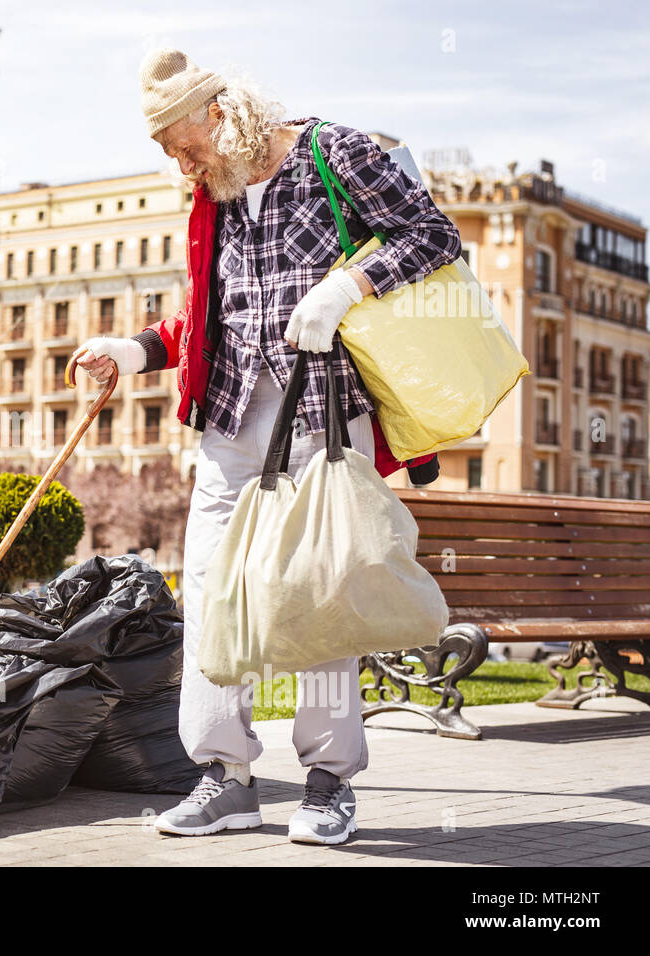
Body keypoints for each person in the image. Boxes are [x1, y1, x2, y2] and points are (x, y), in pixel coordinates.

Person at [72, 48, 461, 845]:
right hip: (230, 423)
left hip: (324, 416)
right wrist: (137, 348)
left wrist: (348, 286)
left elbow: (433, 235)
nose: (178, 163)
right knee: (213, 598)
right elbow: (208, 316)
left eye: (182, 143)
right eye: (167, 152)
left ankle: (327, 784)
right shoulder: (211, 194)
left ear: (220, 114)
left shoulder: (335, 152)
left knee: (319, 596)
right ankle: (223, 778)